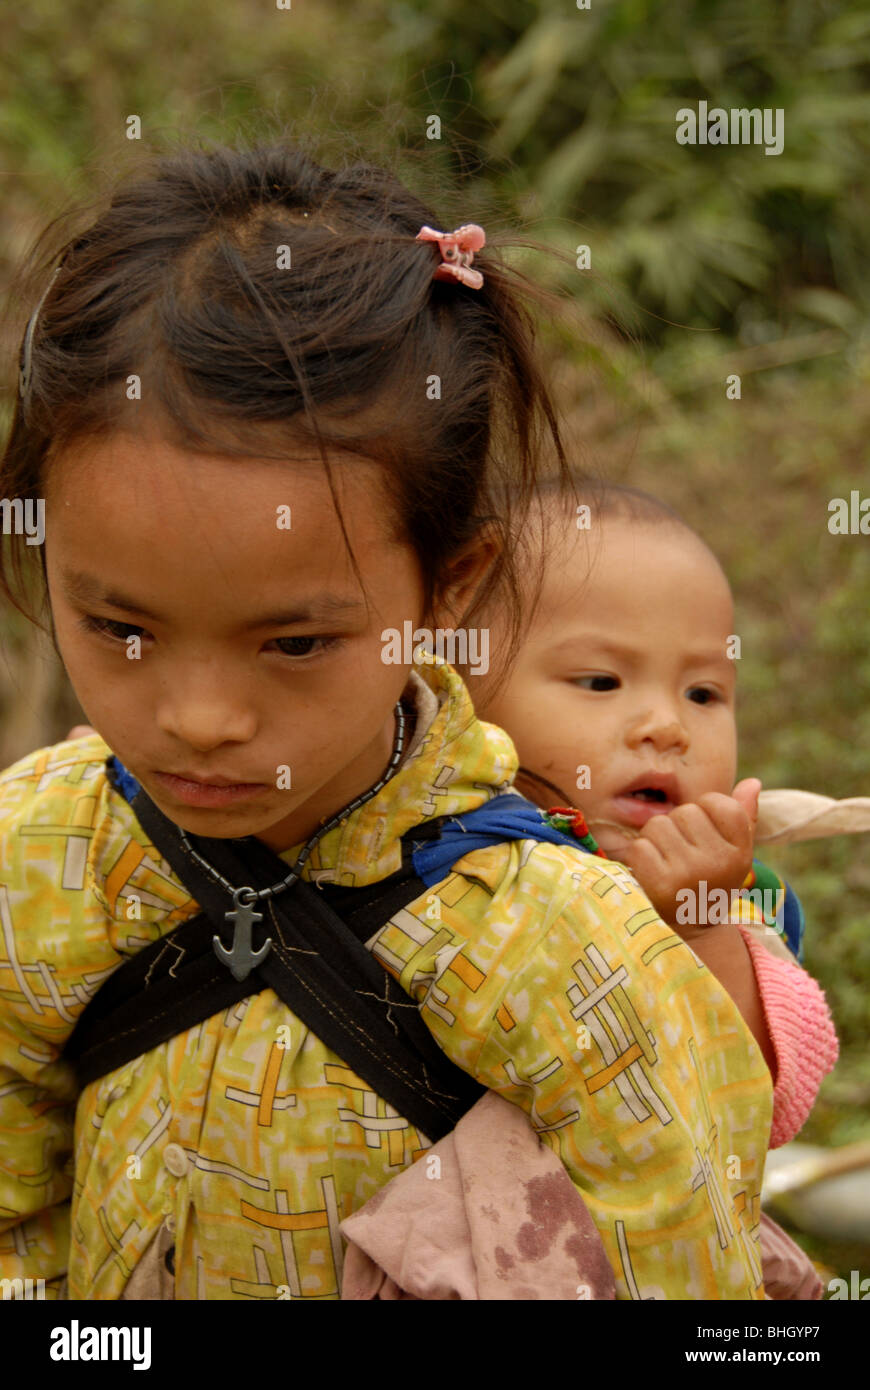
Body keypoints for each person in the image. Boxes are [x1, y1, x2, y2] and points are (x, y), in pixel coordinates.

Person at [0, 140, 803, 1302]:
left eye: (294, 642)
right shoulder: (39, 862)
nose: (201, 718)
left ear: (448, 584)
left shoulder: (560, 942)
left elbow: (683, 1262)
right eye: (121, 627)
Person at [471, 481, 839, 1149]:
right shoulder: (419, 841)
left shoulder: (734, 902)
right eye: (602, 682)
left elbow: (763, 1110)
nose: (668, 727)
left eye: (703, 693)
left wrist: (697, 930)